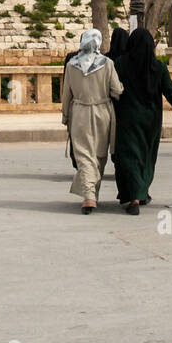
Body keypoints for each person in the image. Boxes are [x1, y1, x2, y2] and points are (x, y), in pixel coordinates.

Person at [114, 28, 172, 214]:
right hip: (151, 120)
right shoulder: (158, 67)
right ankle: (141, 192)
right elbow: (171, 92)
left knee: (129, 156)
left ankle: (134, 196)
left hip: (128, 117)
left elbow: (111, 90)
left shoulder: (120, 64)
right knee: (146, 156)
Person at [61, 29, 123, 214]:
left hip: (79, 113)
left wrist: (65, 116)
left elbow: (67, 94)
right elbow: (116, 90)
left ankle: (90, 195)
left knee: (84, 155)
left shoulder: (72, 65)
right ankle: (90, 194)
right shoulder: (107, 64)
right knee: (99, 155)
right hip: (102, 113)